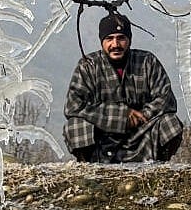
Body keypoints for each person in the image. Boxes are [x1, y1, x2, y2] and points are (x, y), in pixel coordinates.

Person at [63, 13, 184, 163]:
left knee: (170, 123)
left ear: (129, 40)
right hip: (102, 140)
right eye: (109, 39)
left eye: (121, 38)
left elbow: (166, 99)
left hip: (142, 135)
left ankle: (158, 166)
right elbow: (73, 107)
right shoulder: (88, 66)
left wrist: (140, 116)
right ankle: (90, 168)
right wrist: (121, 116)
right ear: (102, 42)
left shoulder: (147, 62)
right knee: (74, 127)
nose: (115, 44)